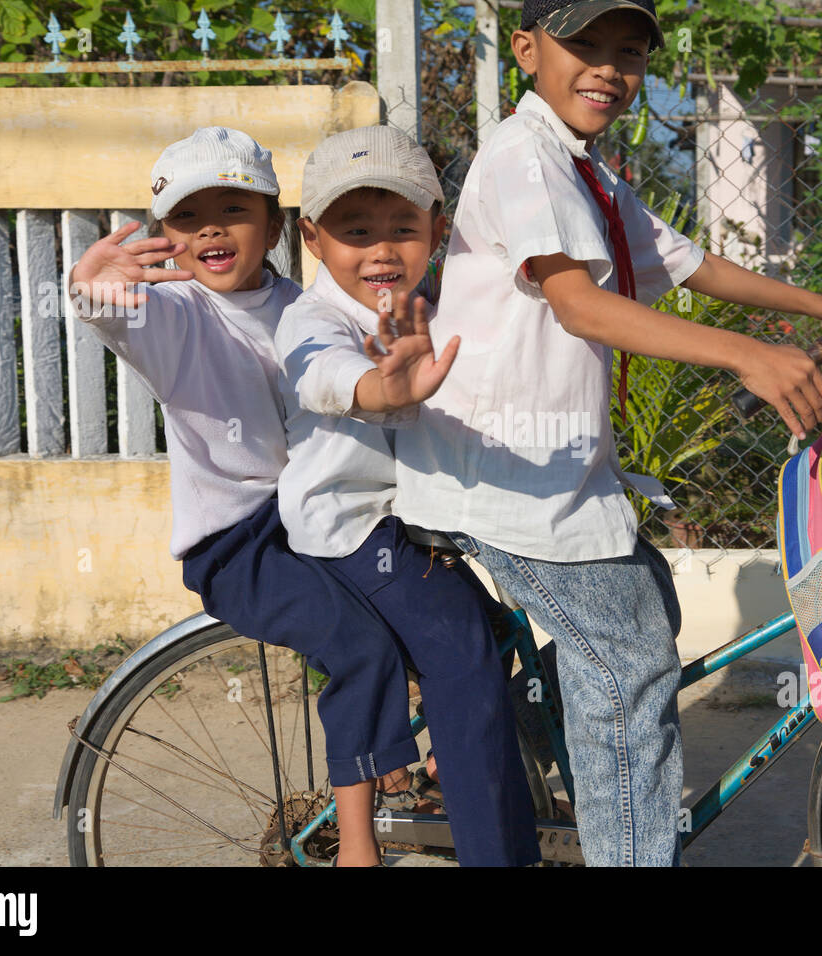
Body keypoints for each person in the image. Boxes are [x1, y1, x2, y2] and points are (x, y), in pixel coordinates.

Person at [391, 0, 822, 866]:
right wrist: (747, 359)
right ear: (527, 48)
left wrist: (821, 307)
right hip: (507, 481)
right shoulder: (524, 155)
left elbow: (688, 262)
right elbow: (579, 303)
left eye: (628, 52)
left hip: (554, 477)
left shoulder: (584, 170)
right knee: (628, 676)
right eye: (584, 45)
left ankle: (571, 777)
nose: (608, 68)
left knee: (644, 609)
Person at [65, 126, 480, 866]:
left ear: (280, 227)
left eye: (235, 209)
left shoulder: (305, 307)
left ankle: (441, 772)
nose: (213, 230)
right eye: (189, 218)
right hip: (239, 542)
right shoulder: (175, 314)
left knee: (468, 621)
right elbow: (114, 314)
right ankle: (360, 846)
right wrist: (90, 288)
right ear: (165, 235)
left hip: (324, 516)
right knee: (358, 647)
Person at [271, 124, 542, 867]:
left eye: (402, 227)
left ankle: (456, 779)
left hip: (419, 520)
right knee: (464, 663)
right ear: (314, 238)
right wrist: (375, 387)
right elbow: (321, 373)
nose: (383, 249)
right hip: (358, 530)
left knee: (494, 641)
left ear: (438, 230)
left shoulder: (431, 310)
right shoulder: (314, 319)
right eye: (357, 230)